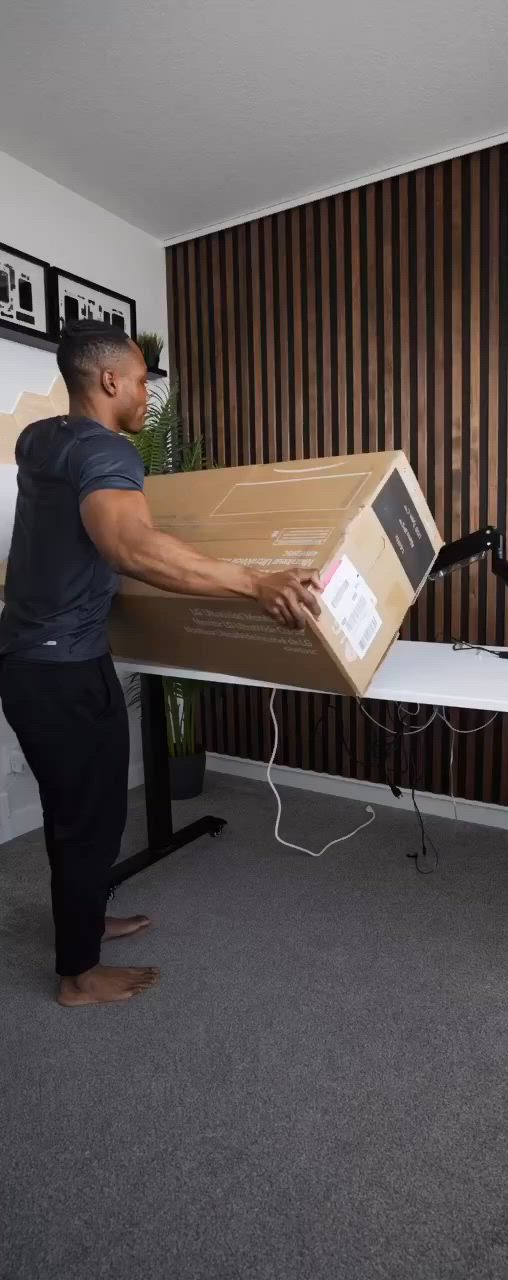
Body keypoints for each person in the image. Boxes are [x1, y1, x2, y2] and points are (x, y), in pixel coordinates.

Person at [0, 319, 321, 1008]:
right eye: (144, 379)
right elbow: (132, 548)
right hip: (62, 670)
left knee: (82, 814)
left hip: (36, 664)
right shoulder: (103, 450)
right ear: (110, 380)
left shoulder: (43, 440)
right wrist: (255, 582)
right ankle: (76, 978)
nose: (149, 392)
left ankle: (85, 924)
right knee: (88, 820)